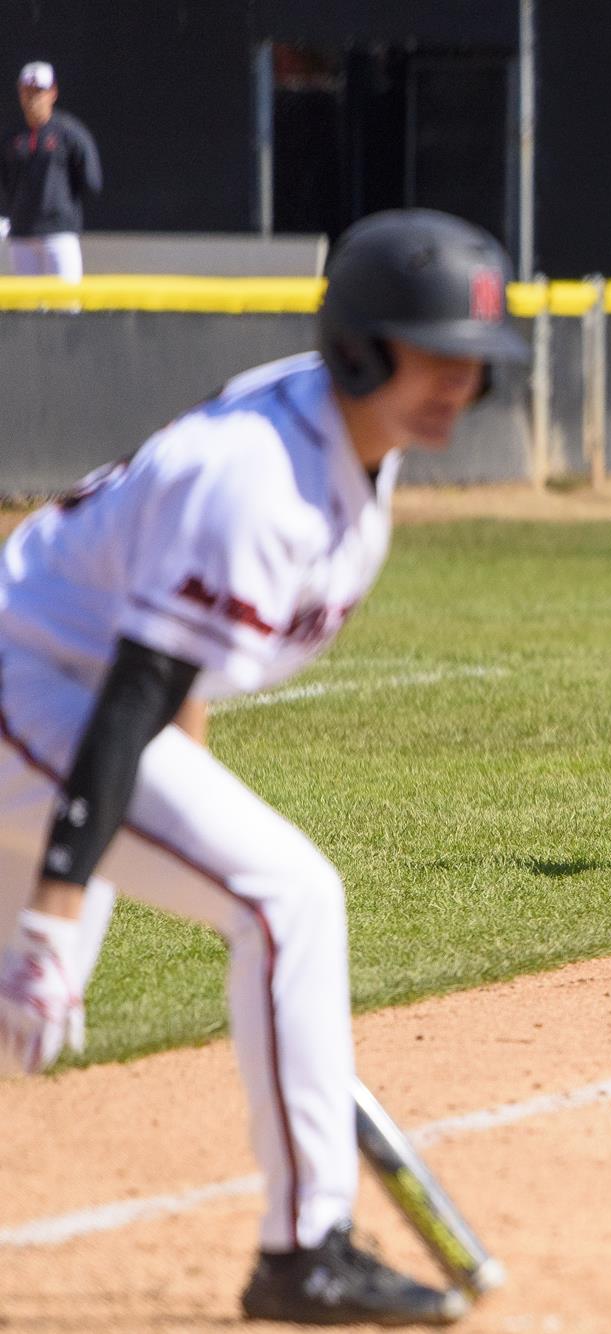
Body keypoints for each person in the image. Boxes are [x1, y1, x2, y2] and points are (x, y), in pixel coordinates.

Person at [0, 209, 525, 1325]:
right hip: (35, 693)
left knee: (34, 1001)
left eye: (472, 366)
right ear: (362, 349)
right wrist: (58, 905)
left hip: (68, 695)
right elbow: (135, 684)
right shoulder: (261, 476)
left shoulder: (345, 448)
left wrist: (176, 823)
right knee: (291, 896)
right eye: (433, 355)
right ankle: (303, 1251)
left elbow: (171, 665)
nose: (455, 386)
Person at [1, 61, 103, 281]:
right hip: (22, 235)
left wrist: (62, 208)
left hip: (59, 235)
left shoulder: (69, 132)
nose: (33, 98)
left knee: (64, 307)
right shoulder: (11, 137)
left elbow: (91, 181)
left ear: (53, 92)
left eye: (39, 91)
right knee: (26, 310)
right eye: (27, 91)